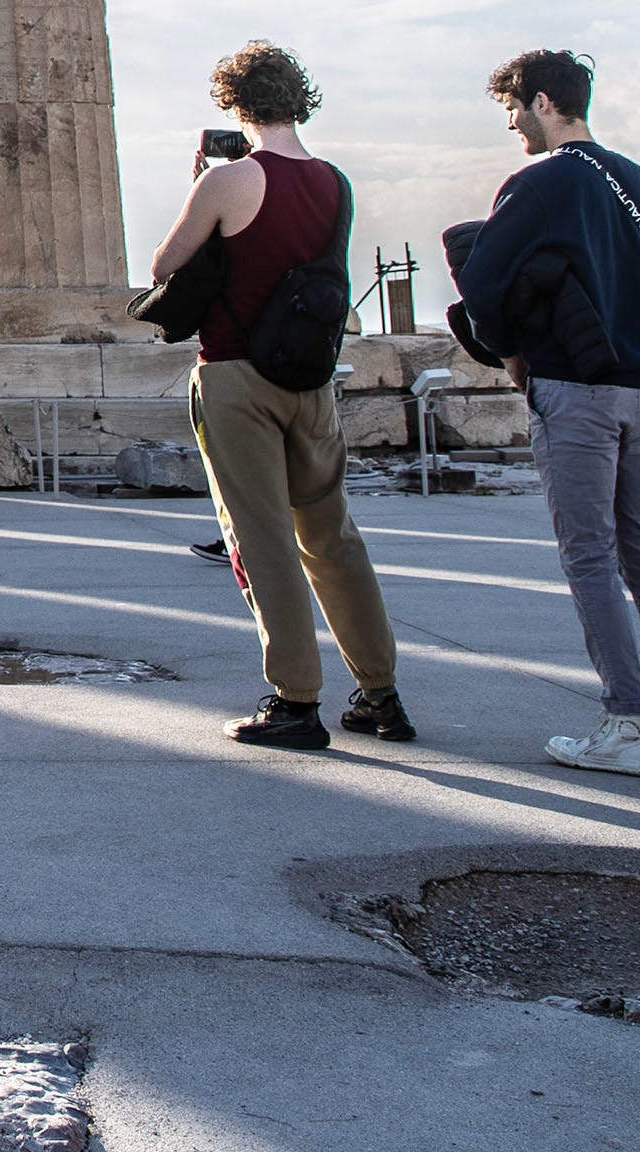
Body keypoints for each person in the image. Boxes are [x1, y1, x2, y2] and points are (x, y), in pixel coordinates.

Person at [450, 49, 640, 777]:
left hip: (574, 390)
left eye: (511, 109)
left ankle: (626, 724)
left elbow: (482, 285)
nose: (512, 125)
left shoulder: (540, 183)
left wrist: (509, 351)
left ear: (540, 102)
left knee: (591, 556)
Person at [142, 42, 409, 752]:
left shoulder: (231, 179)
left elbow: (166, 266)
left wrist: (201, 184)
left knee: (262, 541)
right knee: (333, 537)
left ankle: (295, 701)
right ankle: (380, 693)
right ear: (299, 99)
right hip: (311, 379)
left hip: (237, 375)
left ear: (234, 103)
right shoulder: (334, 182)